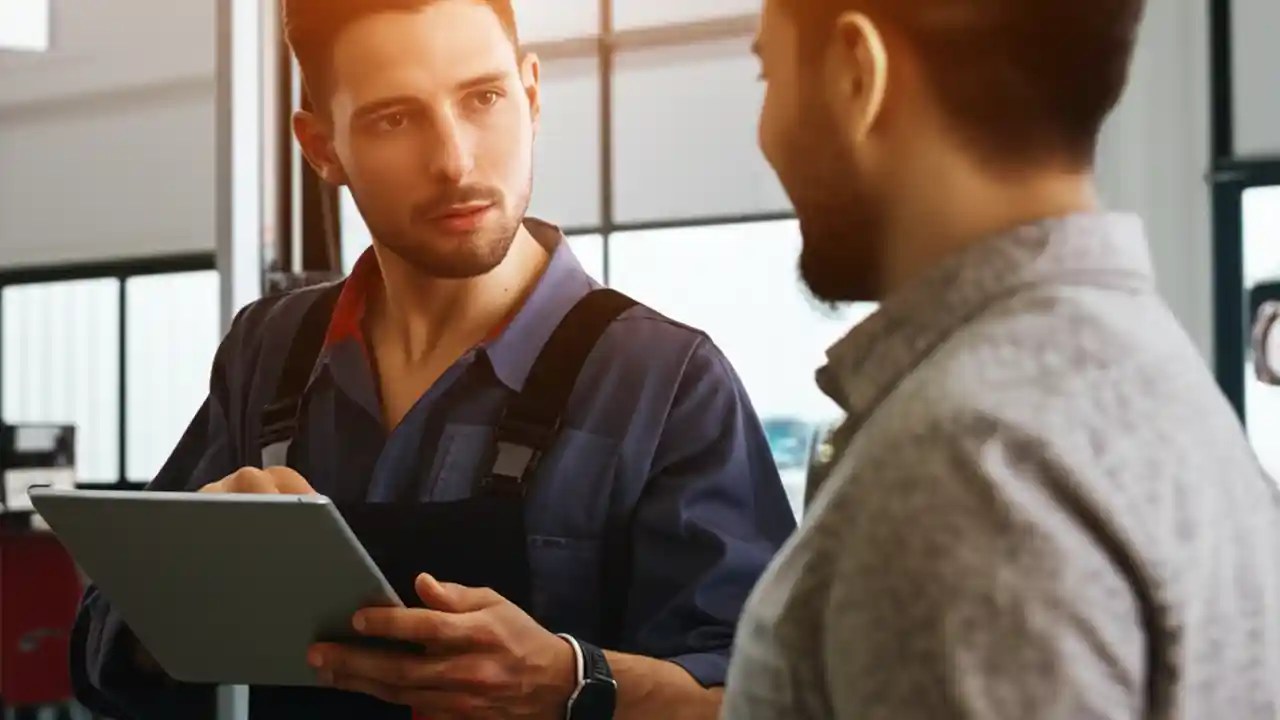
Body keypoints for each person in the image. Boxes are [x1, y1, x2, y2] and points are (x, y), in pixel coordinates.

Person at [71, 1, 796, 718]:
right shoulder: (269, 351)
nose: (454, 161)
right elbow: (103, 650)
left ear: (532, 94)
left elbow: (769, 697)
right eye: (394, 118)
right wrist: (170, 596)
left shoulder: (665, 381)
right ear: (322, 147)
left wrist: (574, 685)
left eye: (483, 97)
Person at [725, 0, 1280, 718]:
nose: (765, 134)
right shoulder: (1160, 384)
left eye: (769, 73)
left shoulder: (965, 465)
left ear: (856, 73)